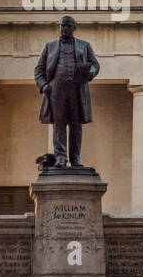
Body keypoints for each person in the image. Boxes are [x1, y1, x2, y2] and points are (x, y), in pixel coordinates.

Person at [34, 15, 100, 168]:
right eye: (62, 25)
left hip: (78, 89)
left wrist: (90, 72)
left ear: (74, 27)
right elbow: (39, 69)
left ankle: (75, 157)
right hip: (57, 89)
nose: (65, 28)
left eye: (68, 26)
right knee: (59, 124)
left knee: (76, 125)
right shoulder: (49, 46)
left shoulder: (84, 45)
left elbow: (95, 65)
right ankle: (61, 157)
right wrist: (44, 86)